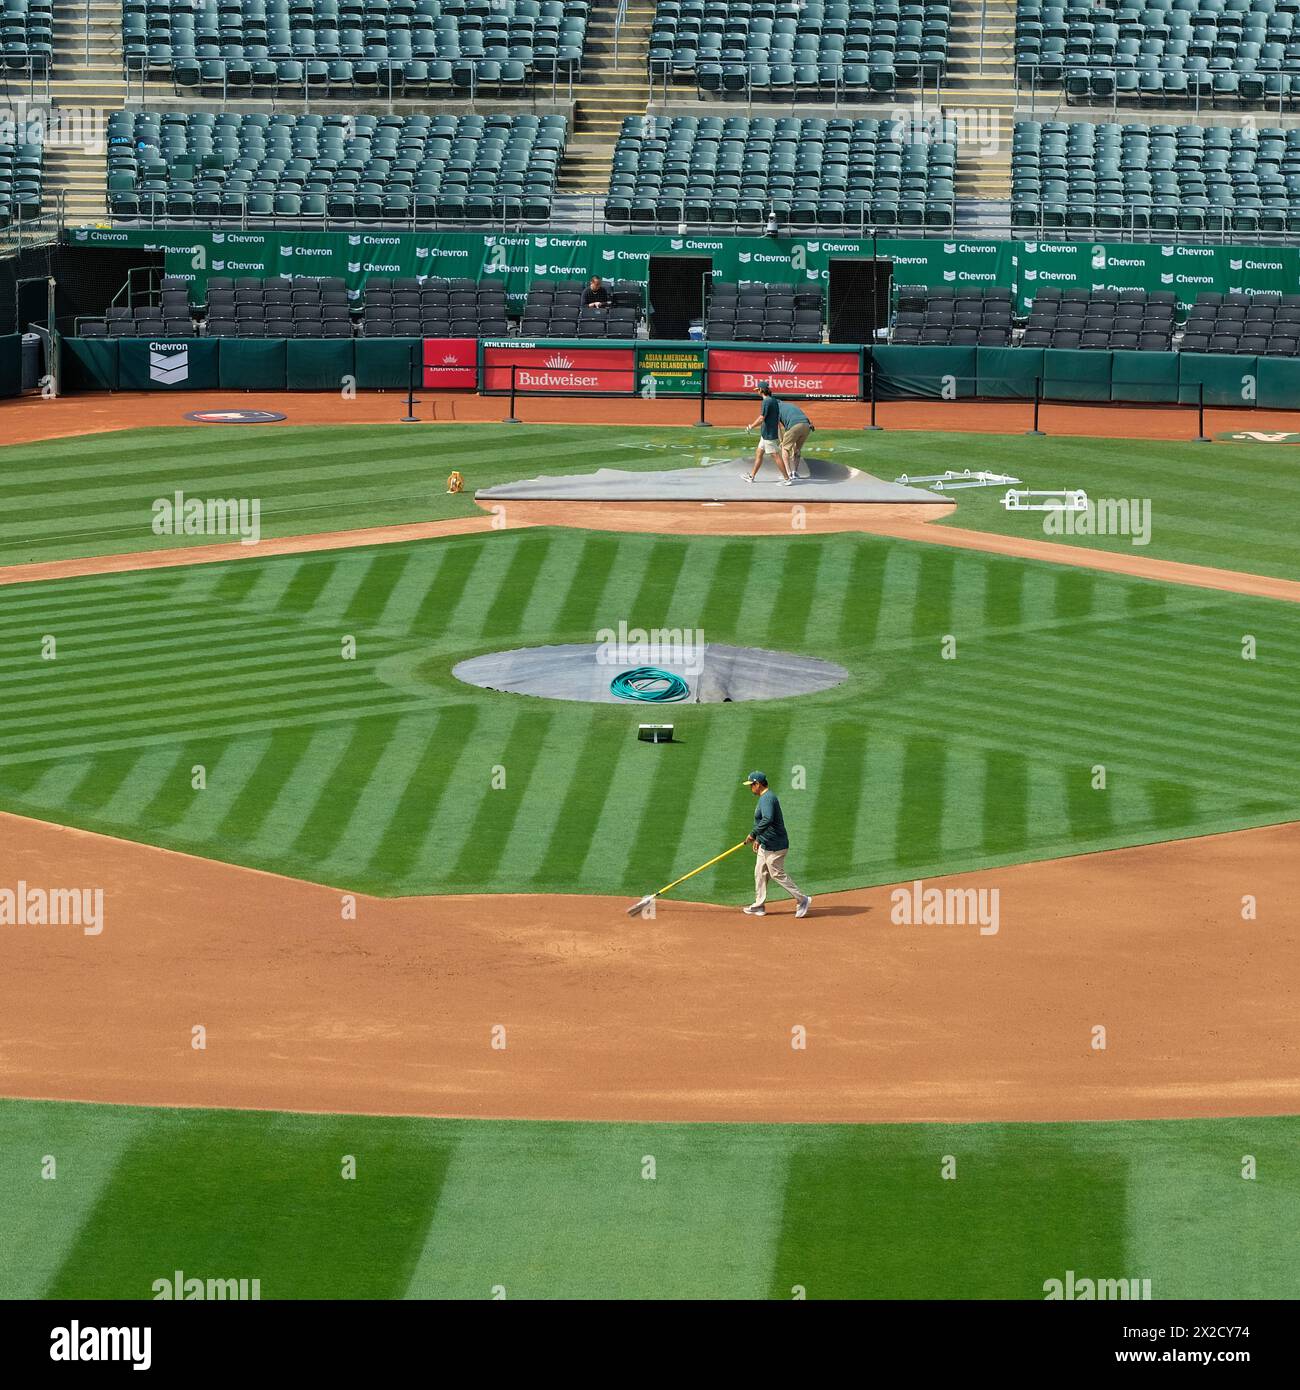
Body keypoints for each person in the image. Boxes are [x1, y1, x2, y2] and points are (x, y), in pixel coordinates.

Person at [741, 771, 812, 918]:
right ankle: (759, 905)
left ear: (758, 784)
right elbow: (766, 822)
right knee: (759, 872)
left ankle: (802, 899)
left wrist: (753, 834)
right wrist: (760, 839)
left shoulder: (768, 799)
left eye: (751, 785)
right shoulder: (764, 798)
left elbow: (767, 819)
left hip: (776, 846)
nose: (750, 788)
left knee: (776, 873)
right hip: (766, 844)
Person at [744, 381, 793, 485]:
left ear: (761, 390)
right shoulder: (773, 400)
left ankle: (787, 479)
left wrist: (751, 426)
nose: (757, 391)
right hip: (766, 433)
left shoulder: (766, 402)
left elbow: (762, 418)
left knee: (775, 455)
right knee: (759, 452)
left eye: (757, 390)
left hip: (769, 435)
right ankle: (751, 476)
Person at [778, 397, 814, 478]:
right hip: (806, 426)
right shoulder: (789, 405)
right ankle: (795, 472)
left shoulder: (776, 409)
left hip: (794, 426)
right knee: (797, 449)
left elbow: (777, 427)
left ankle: (788, 473)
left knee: (785, 448)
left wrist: (781, 441)